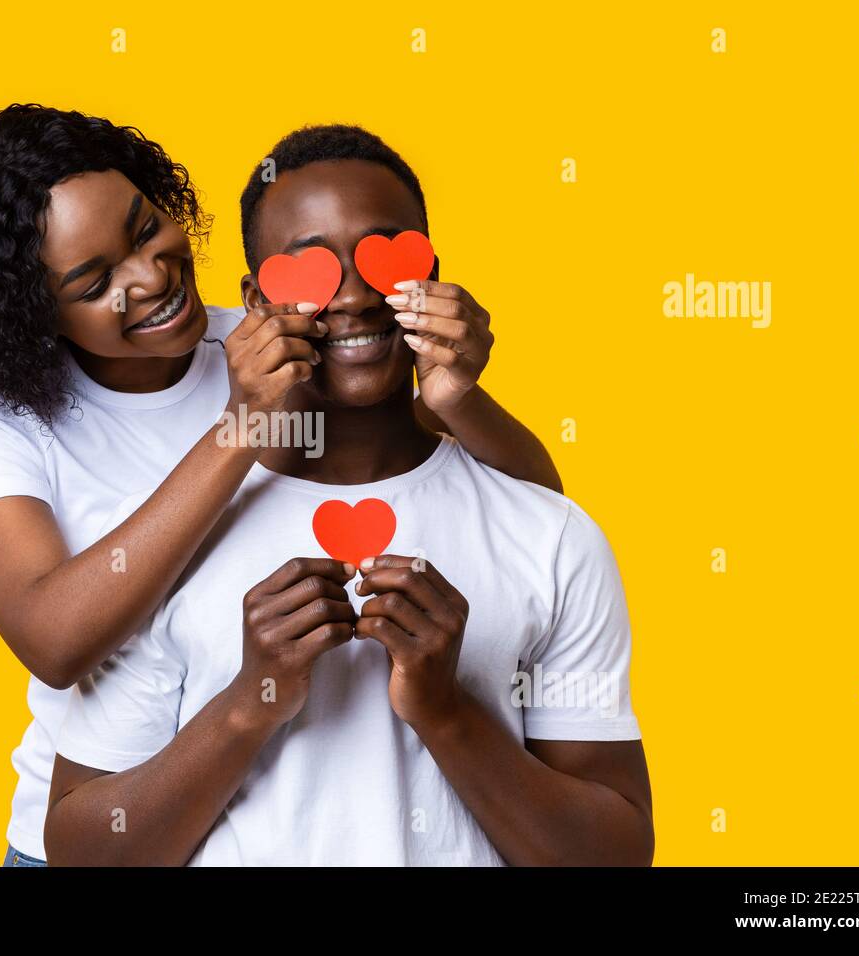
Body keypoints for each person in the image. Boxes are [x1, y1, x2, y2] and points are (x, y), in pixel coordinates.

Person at [0, 106, 561, 865]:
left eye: (145, 228)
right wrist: (240, 429)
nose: (150, 277)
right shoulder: (2, 420)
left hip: (256, 818)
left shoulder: (264, 335)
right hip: (113, 812)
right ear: (32, 316)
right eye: (94, 281)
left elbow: (531, 516)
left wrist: (454, 397)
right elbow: (52, 641)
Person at [43, 126, 652, 866]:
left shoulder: (554, 537)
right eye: (309, 270)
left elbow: (615, 857)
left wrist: (445, 710)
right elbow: (80, 850)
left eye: (386, 256)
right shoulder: (168, 543)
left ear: (435, 278)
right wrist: (250, 701)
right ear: (254, 301)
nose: (357, 295)